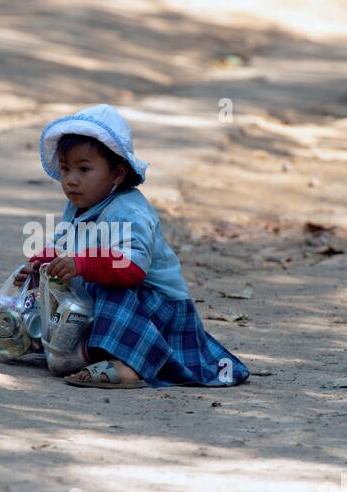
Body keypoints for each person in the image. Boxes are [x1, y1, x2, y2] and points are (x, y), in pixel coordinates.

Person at [17, 104, 250, 390]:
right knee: (58, 288)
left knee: (106, 286)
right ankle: (82, 351)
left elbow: (132, 268)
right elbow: (62, 244)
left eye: (84, 169)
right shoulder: (78, 206)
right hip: (119, 308)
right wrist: (38, 266)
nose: (71, 179)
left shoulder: (128, 209)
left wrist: (82, 263)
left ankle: (127, 366)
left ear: (117, 173)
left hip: (157, 310)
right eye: (65, 169)